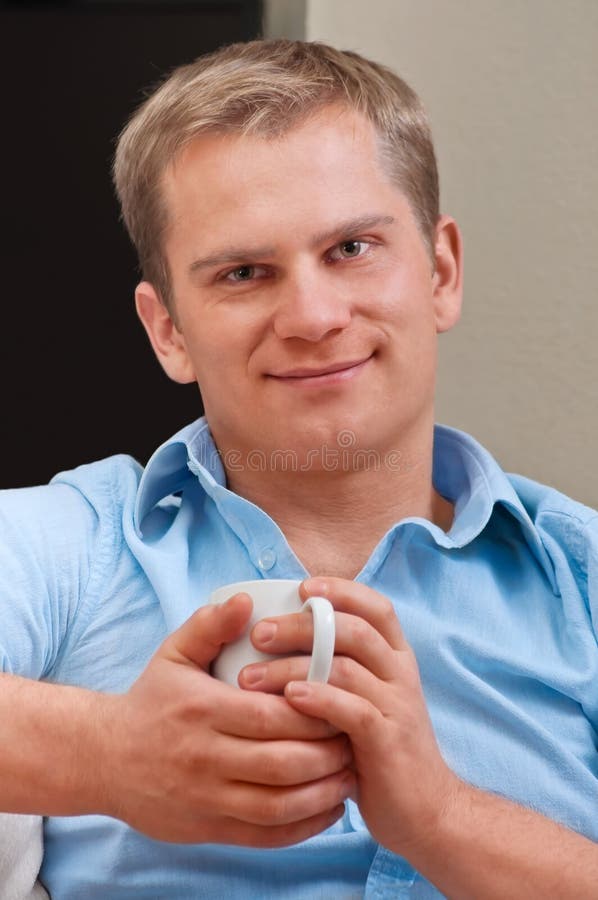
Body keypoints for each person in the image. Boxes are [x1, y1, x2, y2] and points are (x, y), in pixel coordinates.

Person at [1, 36, 597, 900]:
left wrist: (442, 818)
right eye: (244, 272)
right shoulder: (67, 547)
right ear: (167, 329)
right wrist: (114, 755)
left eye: (352, 248)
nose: (313, 316)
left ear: (441, 270)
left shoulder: (581, 581)